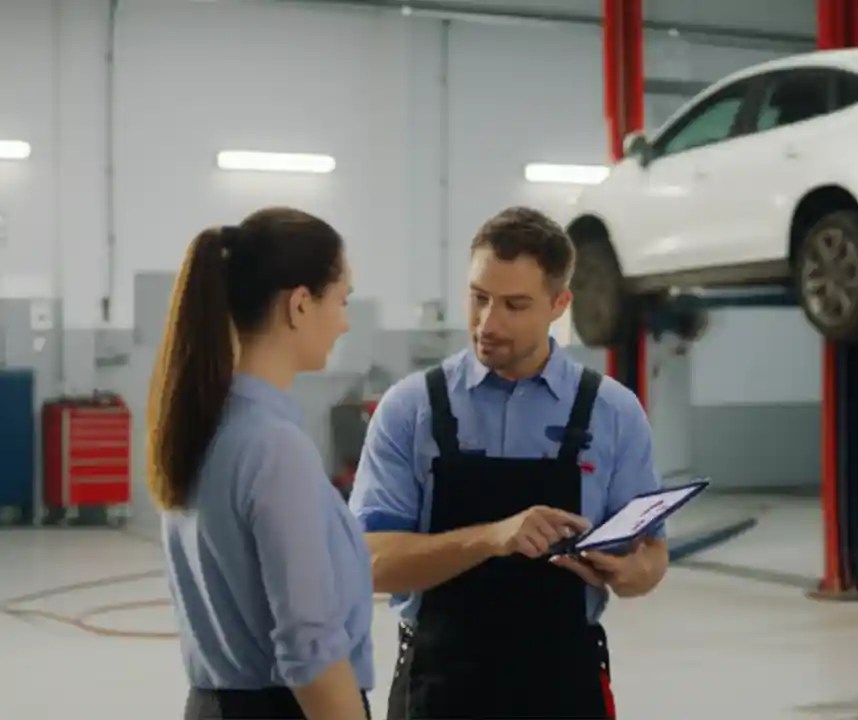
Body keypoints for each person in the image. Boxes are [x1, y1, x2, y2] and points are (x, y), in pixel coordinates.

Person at [349, 206, 669, 719]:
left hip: (564, 685)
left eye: (515, 305)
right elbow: (370, 563)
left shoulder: (613, 412)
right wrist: (494, 537)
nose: (487, 323)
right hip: (440, 687)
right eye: (479, 298)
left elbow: (653, 557)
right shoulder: (412, 409)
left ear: (559, 304)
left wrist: (628, 571)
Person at [147, 207, 375, 720]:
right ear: (299, 305)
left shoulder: (205, 425)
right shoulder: (274, 446)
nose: (345, 321)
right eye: (342, 299)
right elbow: (309, 648)